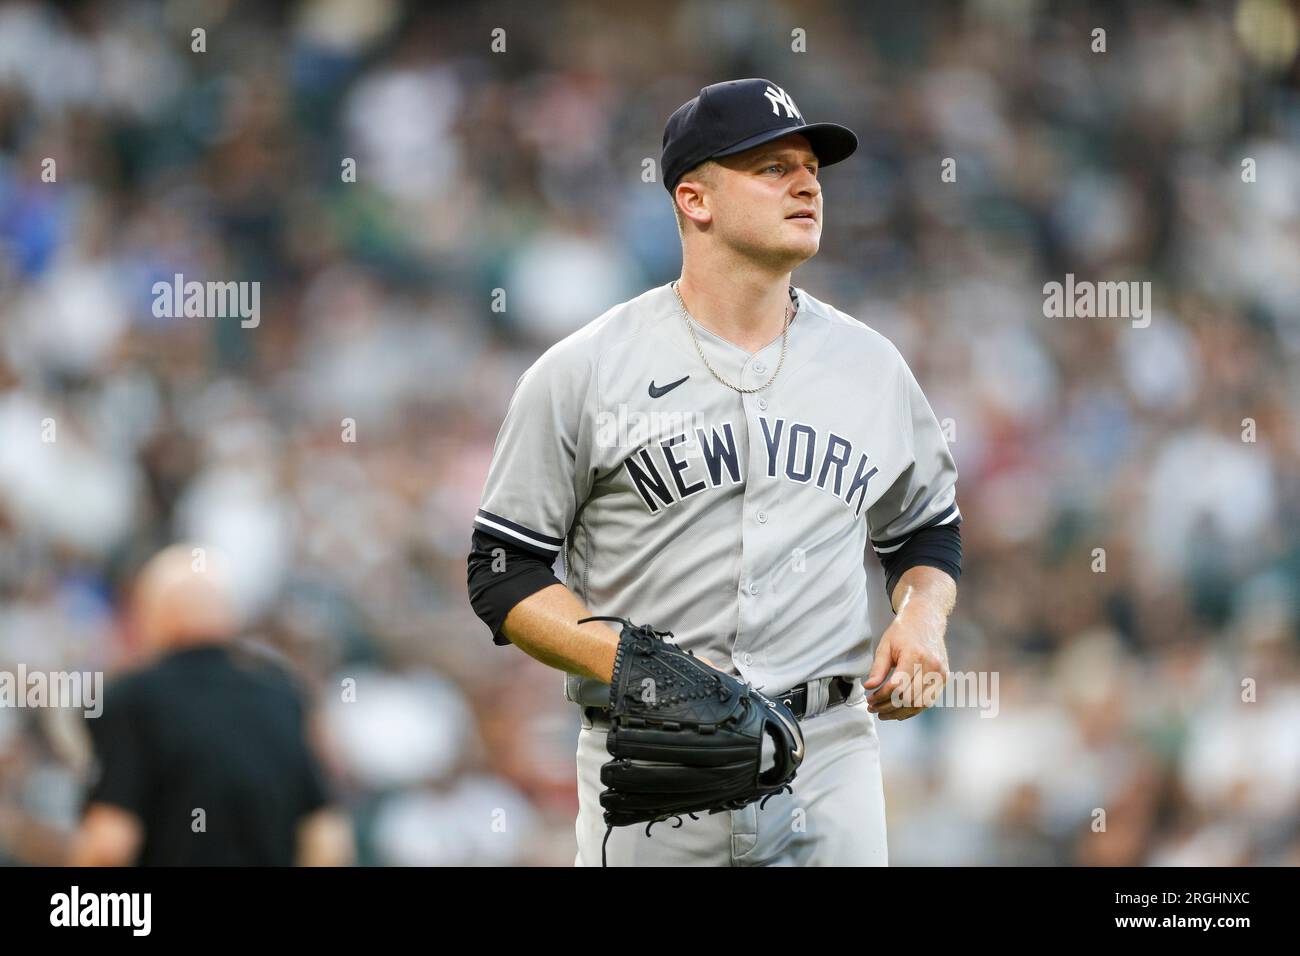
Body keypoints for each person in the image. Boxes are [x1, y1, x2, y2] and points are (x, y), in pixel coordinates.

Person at [468, 78, 962, 866]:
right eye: (770, 168)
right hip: (659, 768)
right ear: (694, 200)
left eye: (810, 167)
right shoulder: (586, 370)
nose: (805, 182)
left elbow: (926, 529)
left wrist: (923, 618)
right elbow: (503, 571)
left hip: (829, 759)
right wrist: (637, 667)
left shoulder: (872, 366)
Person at [71, 544, 353, 866]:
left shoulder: (132, 698)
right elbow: (328, 839)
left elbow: (109, 843)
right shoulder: (283, 695)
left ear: (151, 614)